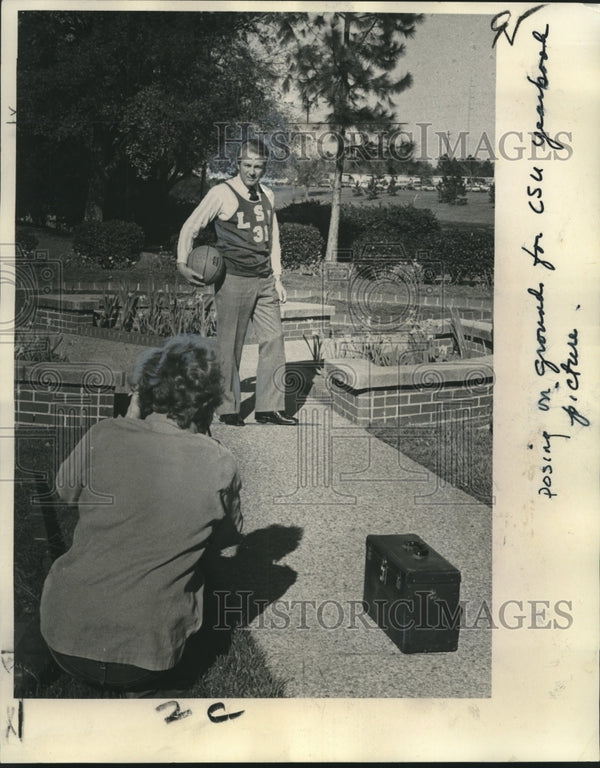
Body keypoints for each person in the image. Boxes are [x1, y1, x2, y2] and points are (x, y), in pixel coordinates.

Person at [40, 336, 243, 695]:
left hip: (63, 640)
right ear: (209, 403)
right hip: (148, 662)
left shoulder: (105, 434)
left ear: (147, 391)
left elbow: (63, 491)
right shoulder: (219, 463)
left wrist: (129, 419)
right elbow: (227, 539)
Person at [177, 138, 297, 426]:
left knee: (274, 340)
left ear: (265, 166)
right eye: (247, 165)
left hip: (264, 279)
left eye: (258, 166)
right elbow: (191, 226)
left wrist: (278, 277)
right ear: (238, 164)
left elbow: (274, 238)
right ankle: (227, 407)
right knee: (230, 344)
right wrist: (182, 263)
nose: (253, 171)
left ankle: (269, 407)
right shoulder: (222, 192)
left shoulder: (267, 193)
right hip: (234, 278)